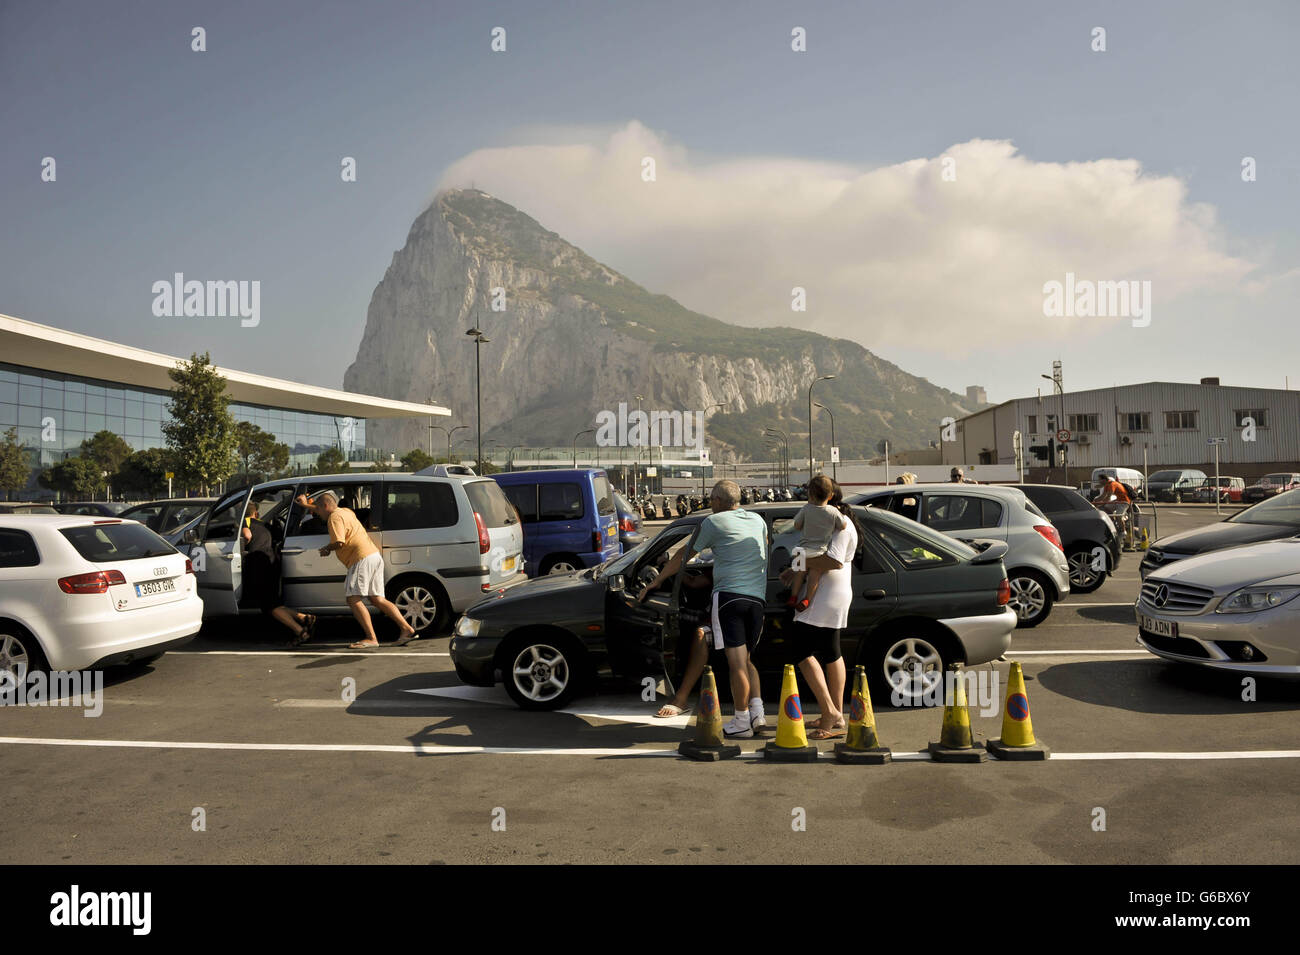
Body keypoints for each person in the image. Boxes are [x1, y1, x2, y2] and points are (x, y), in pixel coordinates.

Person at [638, 479, 768, 738]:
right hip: (757, 599)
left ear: (718, 501)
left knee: (737, 664)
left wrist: (658, 581)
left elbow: (682, 556)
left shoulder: (713, 522)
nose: (711, 504)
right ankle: (758, 715)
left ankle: (741, 722)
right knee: (747, 660)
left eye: (712, 500)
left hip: (730, 598)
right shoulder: (758, 521)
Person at [780, 481, 859, 739]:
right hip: (833, 592)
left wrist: (797, 564)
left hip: (826, 594)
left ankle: (831, 712)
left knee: (801, 650)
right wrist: (797, 567)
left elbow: (832, 561)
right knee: (830, 650)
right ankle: (833, 714)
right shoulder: (836, 521)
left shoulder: (839, 525)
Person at [294, 491, 417, 648]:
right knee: (377, 599)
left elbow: (339, 542)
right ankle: (406, 629)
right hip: (373, 555)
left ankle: (371, 638)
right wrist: (305, 504)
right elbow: (322, 507)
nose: (317, 514)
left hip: (360, 559)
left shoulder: (334, 518)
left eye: (317, 509)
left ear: (325, 506)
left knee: (353, 599)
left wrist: (326, 549)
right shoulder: (345, 511)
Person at [240, 500, 317, 647]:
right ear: (256, 513)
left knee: (269, 606)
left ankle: (300, 631)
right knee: (272, 602)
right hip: (272, 563)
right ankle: (304, 618)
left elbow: (247, 535)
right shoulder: (266, 524)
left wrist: (244, 543)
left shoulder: (245, 522)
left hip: (258, 564)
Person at [784, 474, 846, 612]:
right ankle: (807, 599)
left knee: (799, 572)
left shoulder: (806, 508)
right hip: (819, 552)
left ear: (810, 495)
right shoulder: (833, 511)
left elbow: (797, 525)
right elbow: (843, 526)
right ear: (830, 496)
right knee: (815, 574)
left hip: (801, 550)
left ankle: (793, 596)